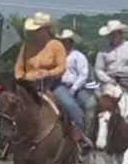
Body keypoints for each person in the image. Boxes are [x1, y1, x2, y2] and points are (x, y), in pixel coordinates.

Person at [14, 12, 91, 151]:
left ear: (45, 30)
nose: (35, 33)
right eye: (34, 30)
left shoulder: (56, 45)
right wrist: (22, 78)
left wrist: (48, 73)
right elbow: (19, 67)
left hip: (51, 84)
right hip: (28, 85)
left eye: (38, 29)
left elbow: (62, 67)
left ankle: (81, 137)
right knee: (8, 105)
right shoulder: (26, 46)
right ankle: (8, 142)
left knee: (70, 105)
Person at [59, 29, 99, 133]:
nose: (64, 43)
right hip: (59, 86)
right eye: (62, 41)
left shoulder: (78, 56)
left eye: (66, 41)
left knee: (90, 105)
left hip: (77, 88)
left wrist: (73, 89)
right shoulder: (58, 56)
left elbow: (83, 75)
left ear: (71, 42)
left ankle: (87, 131)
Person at [94, 19, 128, 89]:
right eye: (110, 34)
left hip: (126, 78)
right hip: (110, 79)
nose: (112, 36)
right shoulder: (103, 50)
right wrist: (109, 80)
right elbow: (98, 69)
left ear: (120, 34)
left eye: (114, 34)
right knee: (99, 98)